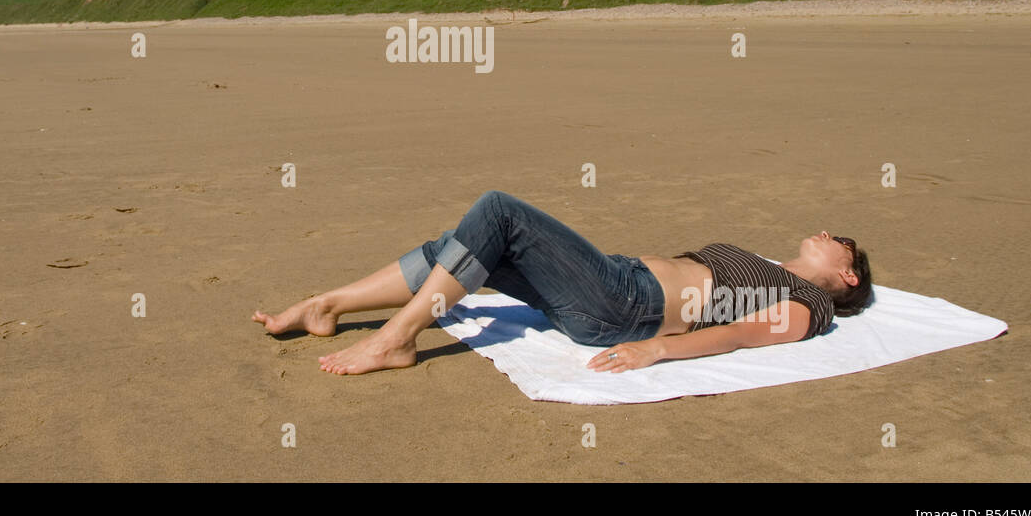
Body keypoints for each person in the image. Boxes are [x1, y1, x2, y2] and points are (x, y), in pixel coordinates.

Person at [252, 190, 873, 375]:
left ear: (845, 274)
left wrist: (654, 349)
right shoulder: (771, 269)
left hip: (625, 306)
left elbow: (740, 337)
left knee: (498, 212)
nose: (824, 231)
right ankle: (324, 305)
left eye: (837, 240)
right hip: (614, 286)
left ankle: (397, 338)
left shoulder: (808, 304)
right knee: (465, 247)